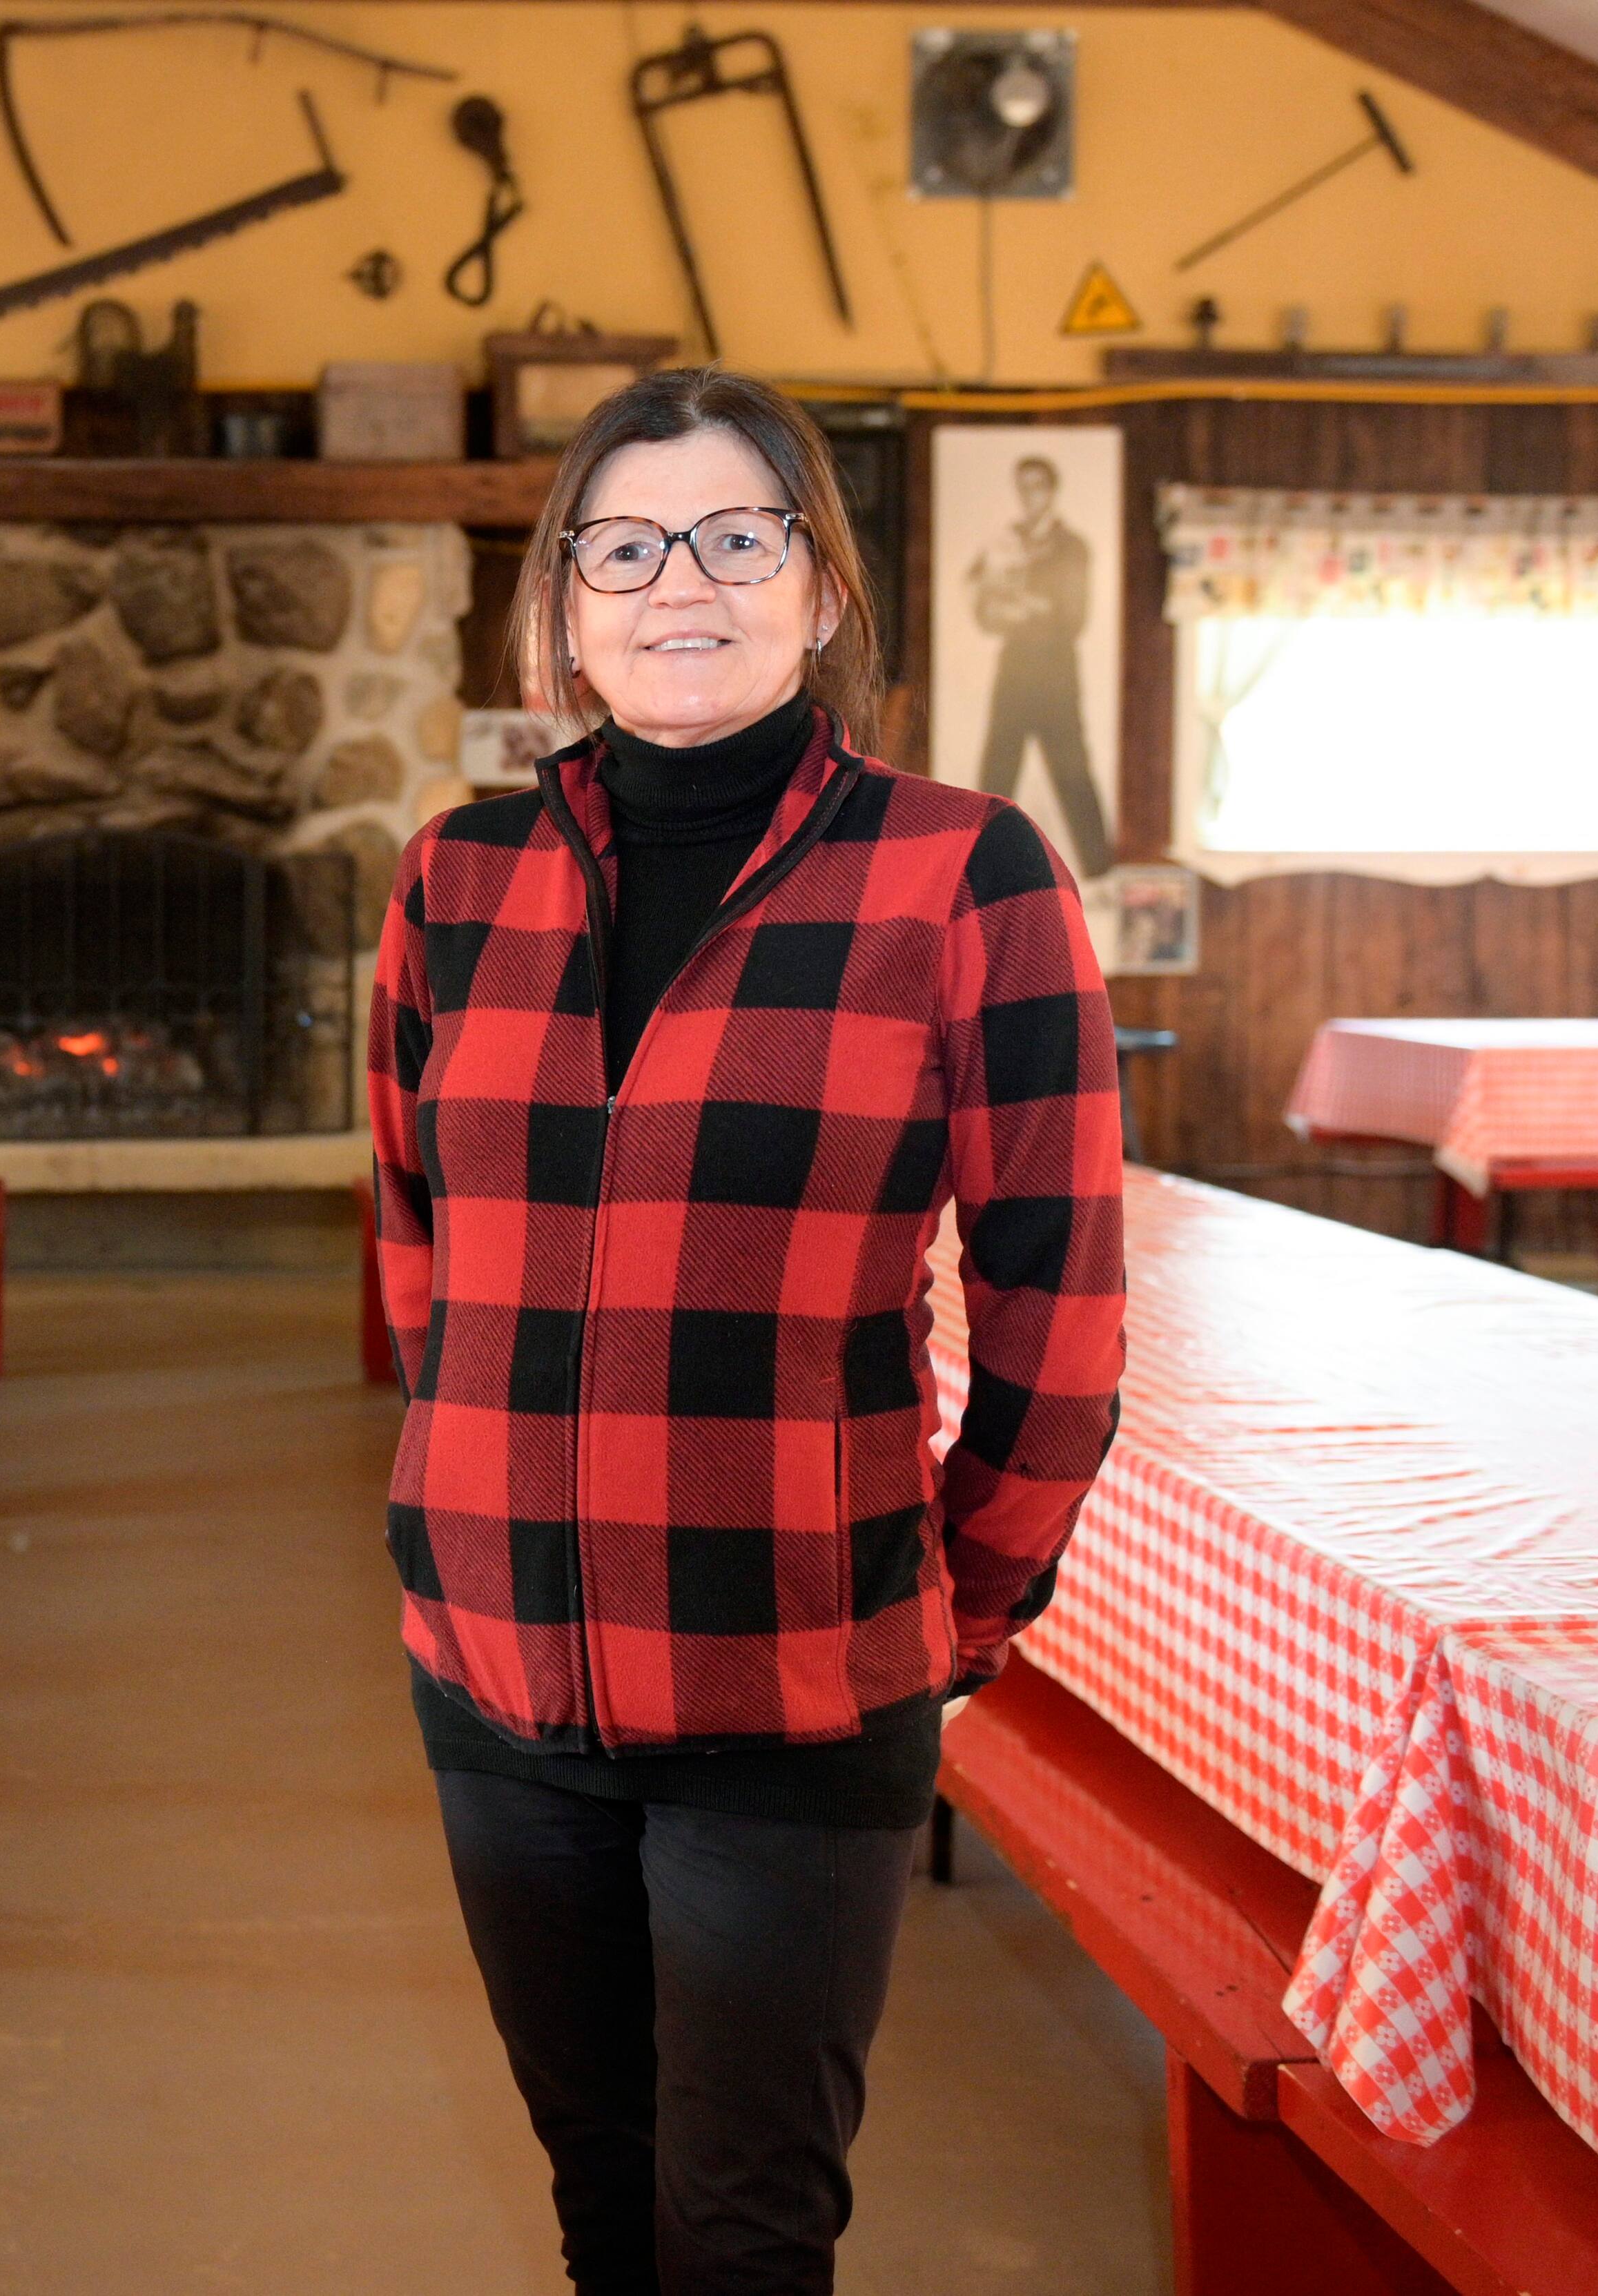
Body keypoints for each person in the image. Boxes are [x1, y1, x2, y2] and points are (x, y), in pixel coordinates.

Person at [366, 367, 1127, 2295]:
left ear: (821, 586)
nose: (676, 583)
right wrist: (453, 1520)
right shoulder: (455, 875)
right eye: (620, 546)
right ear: (561, 602)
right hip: (495, 1680)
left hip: (795, 1677)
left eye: (732, 534)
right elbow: (417, 1247)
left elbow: (1058, 1311)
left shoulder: (962, 874)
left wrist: (950, 1610)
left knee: (744, 2234)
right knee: (601, 2203)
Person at [968, 453, 1115, 877]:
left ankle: (1099, 871)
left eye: (1036, 487)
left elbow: (1074, 617)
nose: (1029, 496)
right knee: (998, 768)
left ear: (1051, 491)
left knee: (1071, 770)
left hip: (1055, 671)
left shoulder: (1072, 546)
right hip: (1014, 666)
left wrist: (1026, 607)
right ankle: (977, 871)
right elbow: (983, 606)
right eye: (1023, 487)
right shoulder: (1005, 541)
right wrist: (1003, 606)